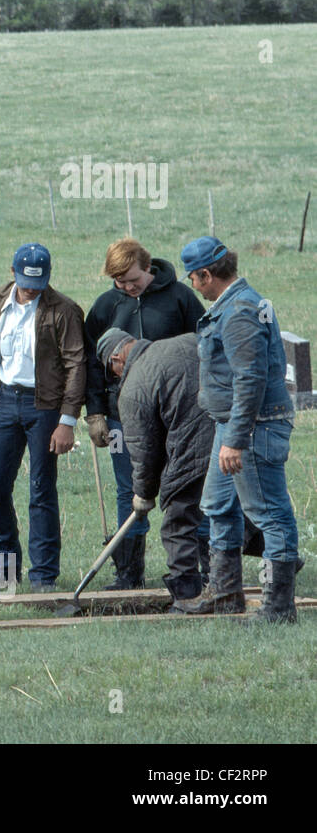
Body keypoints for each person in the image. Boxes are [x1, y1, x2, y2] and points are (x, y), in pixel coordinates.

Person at [179, 237, 300, 623]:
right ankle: (225, 593)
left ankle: (278, 608)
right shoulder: (237, 304)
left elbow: (250, 379)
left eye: (194, 279)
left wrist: (235, 438)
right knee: (218, 505)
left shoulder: (238, 312)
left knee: (270, 514)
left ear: (206, 275)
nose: (193, 286)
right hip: (231, 425)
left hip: (251, 428)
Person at [83, 239, 205, 590]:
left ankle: (201, 568)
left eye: (132, 279)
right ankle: (128, 573)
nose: (127, 287)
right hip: (123, 412)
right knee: (130, 491)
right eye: (119, 282)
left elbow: (204, 345)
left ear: (147, 267)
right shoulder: (106, 305)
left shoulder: (180, 297)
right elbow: (92, 362)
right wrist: (95, 412)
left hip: (179, 413)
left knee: (186, 488)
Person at [0, 243, 86, 592]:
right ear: (13, 273)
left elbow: (76, 365)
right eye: (25, 283)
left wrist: (67, 421)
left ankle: (43, 575)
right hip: (6, 401)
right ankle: (6, 565)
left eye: (38, 284)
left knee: (41, 489)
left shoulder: (65, 310)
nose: (31, 290)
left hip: (45, 407)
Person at [99, 330, 211, 611]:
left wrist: (144, 494)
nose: (114, 378)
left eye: (111, 371)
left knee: (178, 518)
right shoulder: (184, 341)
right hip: (237, 436)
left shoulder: (133, 388)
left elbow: (143, 452)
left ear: (116, 358)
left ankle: (186, 595)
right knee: (230, 510)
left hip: (196, 447)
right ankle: (280, 559)